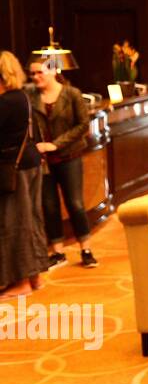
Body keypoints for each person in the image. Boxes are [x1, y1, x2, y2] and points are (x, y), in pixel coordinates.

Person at [27, 58, 96, 269]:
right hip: (44, 161)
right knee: (49, 205)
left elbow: (83, 125)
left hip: (69, 157)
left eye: (40, 72)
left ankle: (86, 249)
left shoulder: (72, 94)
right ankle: (58, 252)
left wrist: (55, 145)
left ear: (53, 71)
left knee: (75, 203)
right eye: (32, 74)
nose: (36, 77)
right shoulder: (31, 96)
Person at [0, 51, 47, 299]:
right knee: (31, 219)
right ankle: (35, 276)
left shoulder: (6, 102)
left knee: (14, 222)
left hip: (13, 168)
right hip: (30, 162)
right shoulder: (22, 97)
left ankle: (20, 282)